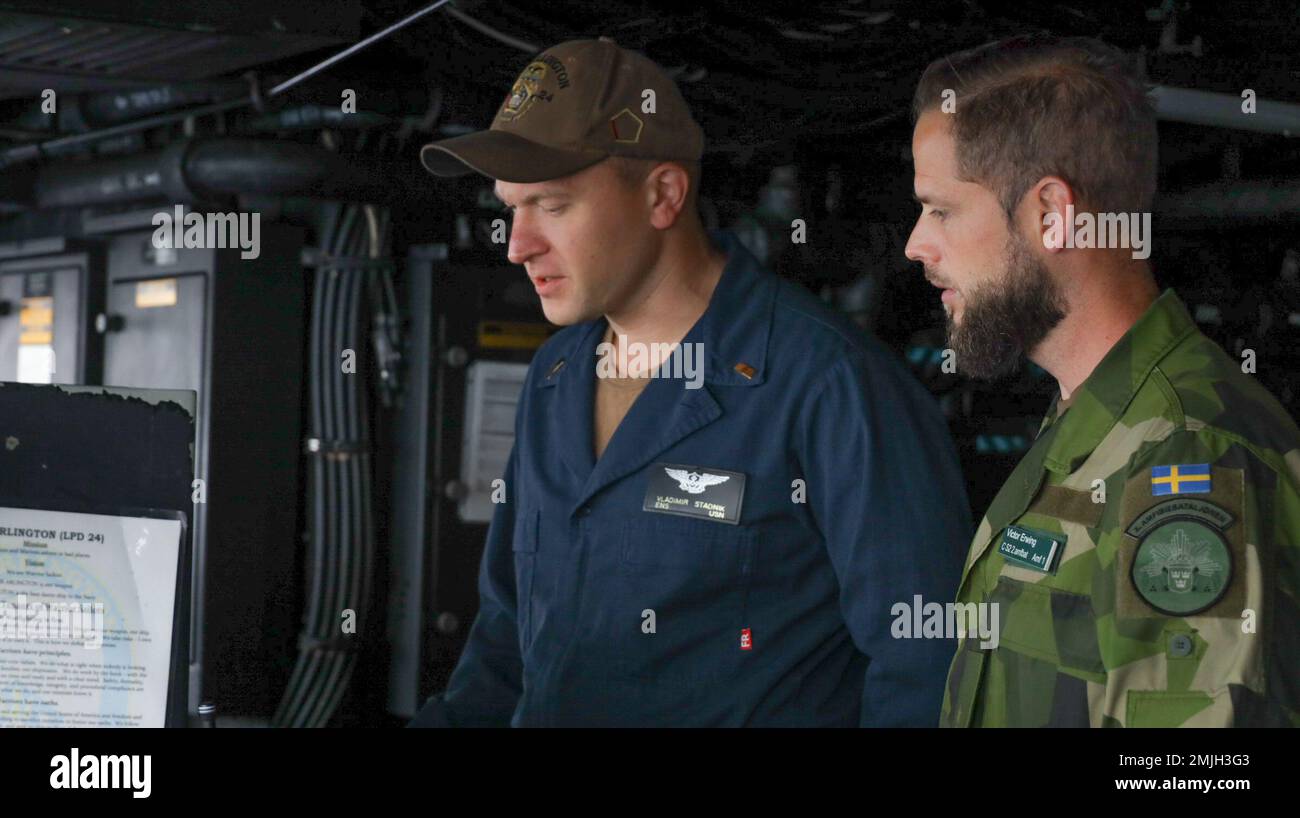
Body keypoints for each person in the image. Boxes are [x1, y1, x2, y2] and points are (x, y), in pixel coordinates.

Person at [409, 37, 970, 726]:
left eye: (551, 206)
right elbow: (504, 646)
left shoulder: (829, 387)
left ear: (663, 194)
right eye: (510, 208)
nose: (517, 243)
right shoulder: (553, 381)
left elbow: (926, 665)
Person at [905, 33, 1300, 727]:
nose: (917, 244)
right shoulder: (1094, 420)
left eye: (941, 209)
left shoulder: (1191, 455)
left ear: (1053, 215)